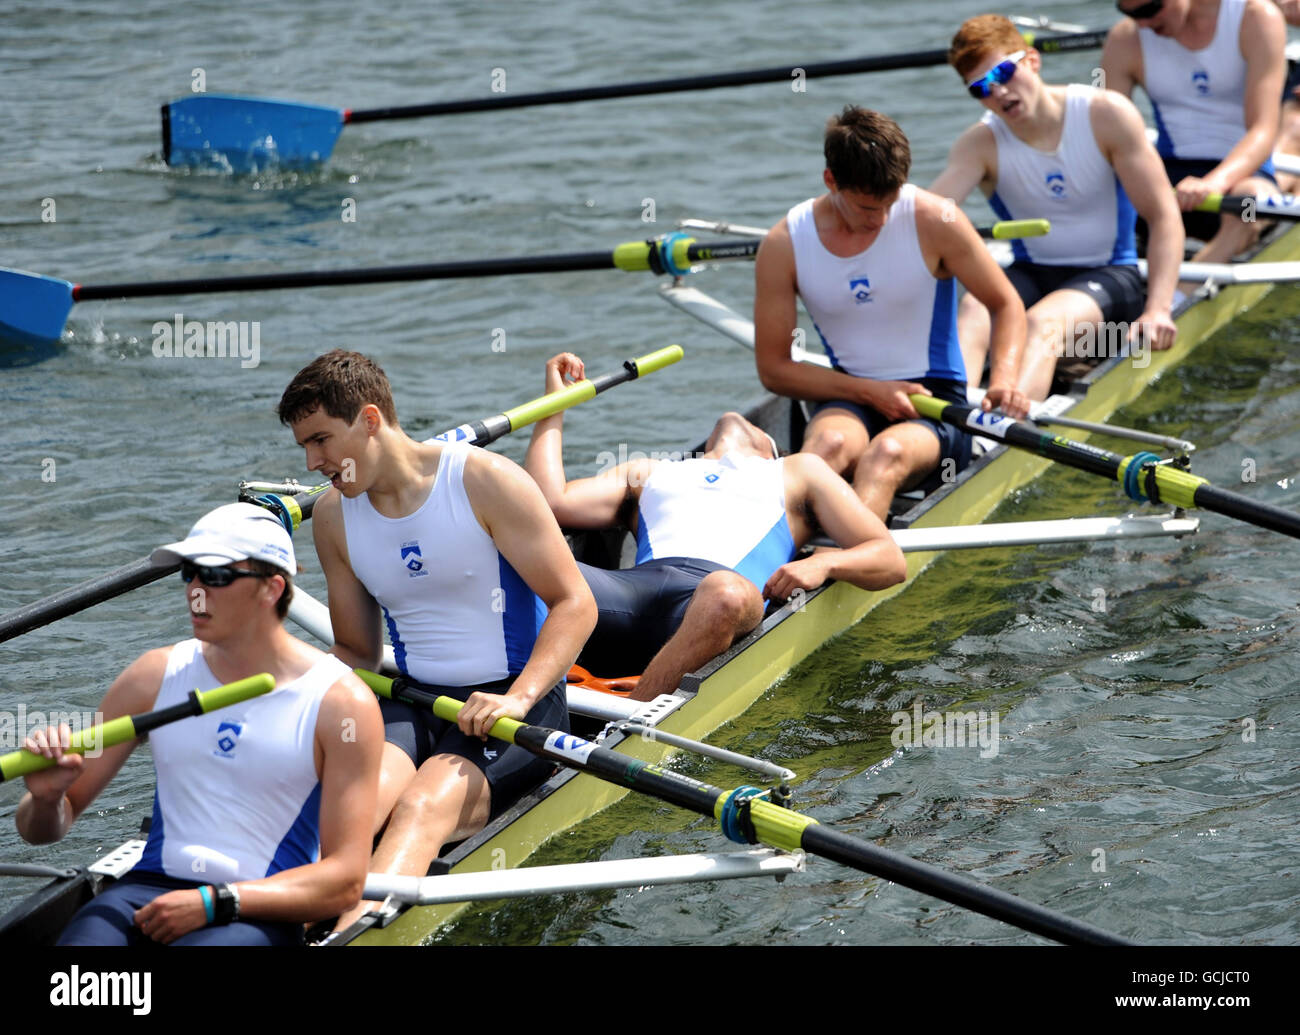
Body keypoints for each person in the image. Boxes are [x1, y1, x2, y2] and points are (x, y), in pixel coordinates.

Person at [277, 349, 596, 931]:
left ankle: (354, 932)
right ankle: (272, 924)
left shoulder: (485, 481)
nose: (312, 462)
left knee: (420, 808)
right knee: (353, 806)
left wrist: (517, 699)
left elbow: (576, 604)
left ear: (370, 420)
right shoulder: (332, 517)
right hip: (414, 699)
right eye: (304, 446)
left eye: (321, 440)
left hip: (512, 707)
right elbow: (354, 651)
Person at [15, 503, 384, 945]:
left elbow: (345, 881)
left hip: (256, 911)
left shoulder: (341, 704)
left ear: (272, 588)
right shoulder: (153, 676)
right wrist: (47, 799)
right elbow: (42, 831)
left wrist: (215, 902)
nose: (195, 591)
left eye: (215, 577)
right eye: (189, 573)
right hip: (143, 893)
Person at [523, 352, 908, 703]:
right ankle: (523, 689)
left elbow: (889, 558)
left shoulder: (798, 470)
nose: (736, 420)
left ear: (770, 449)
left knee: (726, 592)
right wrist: (555, 404)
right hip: (628, 595)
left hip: (713, 604)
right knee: (518, 557)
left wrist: (825, 564)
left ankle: (633, 716)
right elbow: (547, 503)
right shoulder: (648, 471)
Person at [753, 105, 1029, 522]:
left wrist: (1005, 380)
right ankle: (771, 564)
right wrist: (869, 392)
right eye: (867, 208)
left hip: (934, 403)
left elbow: (1004, 302)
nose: (881, 219)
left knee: (885, 454)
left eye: (890, 202)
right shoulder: (784, 243)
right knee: (824, 448)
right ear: (831, 181)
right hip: (850, 397)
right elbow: (774, 369)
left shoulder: (936, 219)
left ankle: (856, 562)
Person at [930, 14, 1184, 402]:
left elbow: (1164, 216)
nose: (997, 92)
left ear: (1032, 60)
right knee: (974, 307)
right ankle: (954, 421)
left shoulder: (1105, 114)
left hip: (1111, 273)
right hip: (1032, 272)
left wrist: (1159, 309)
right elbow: (928, 219)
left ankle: (1000, 435)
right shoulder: (978, 145)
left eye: (1002, 73)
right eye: (980, 88)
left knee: (1041, 323)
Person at [1102, 0, 1287, 264]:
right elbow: (1106, 133)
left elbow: (1263, 130)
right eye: (1129, 13)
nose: (1142, 24)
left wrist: (1213, 184)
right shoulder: (1125, 39)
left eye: (1149, 10)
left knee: (1249, 205)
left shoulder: (1256, 18)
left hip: (1240, 180)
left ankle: (1179, 295)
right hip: (1169, 178)